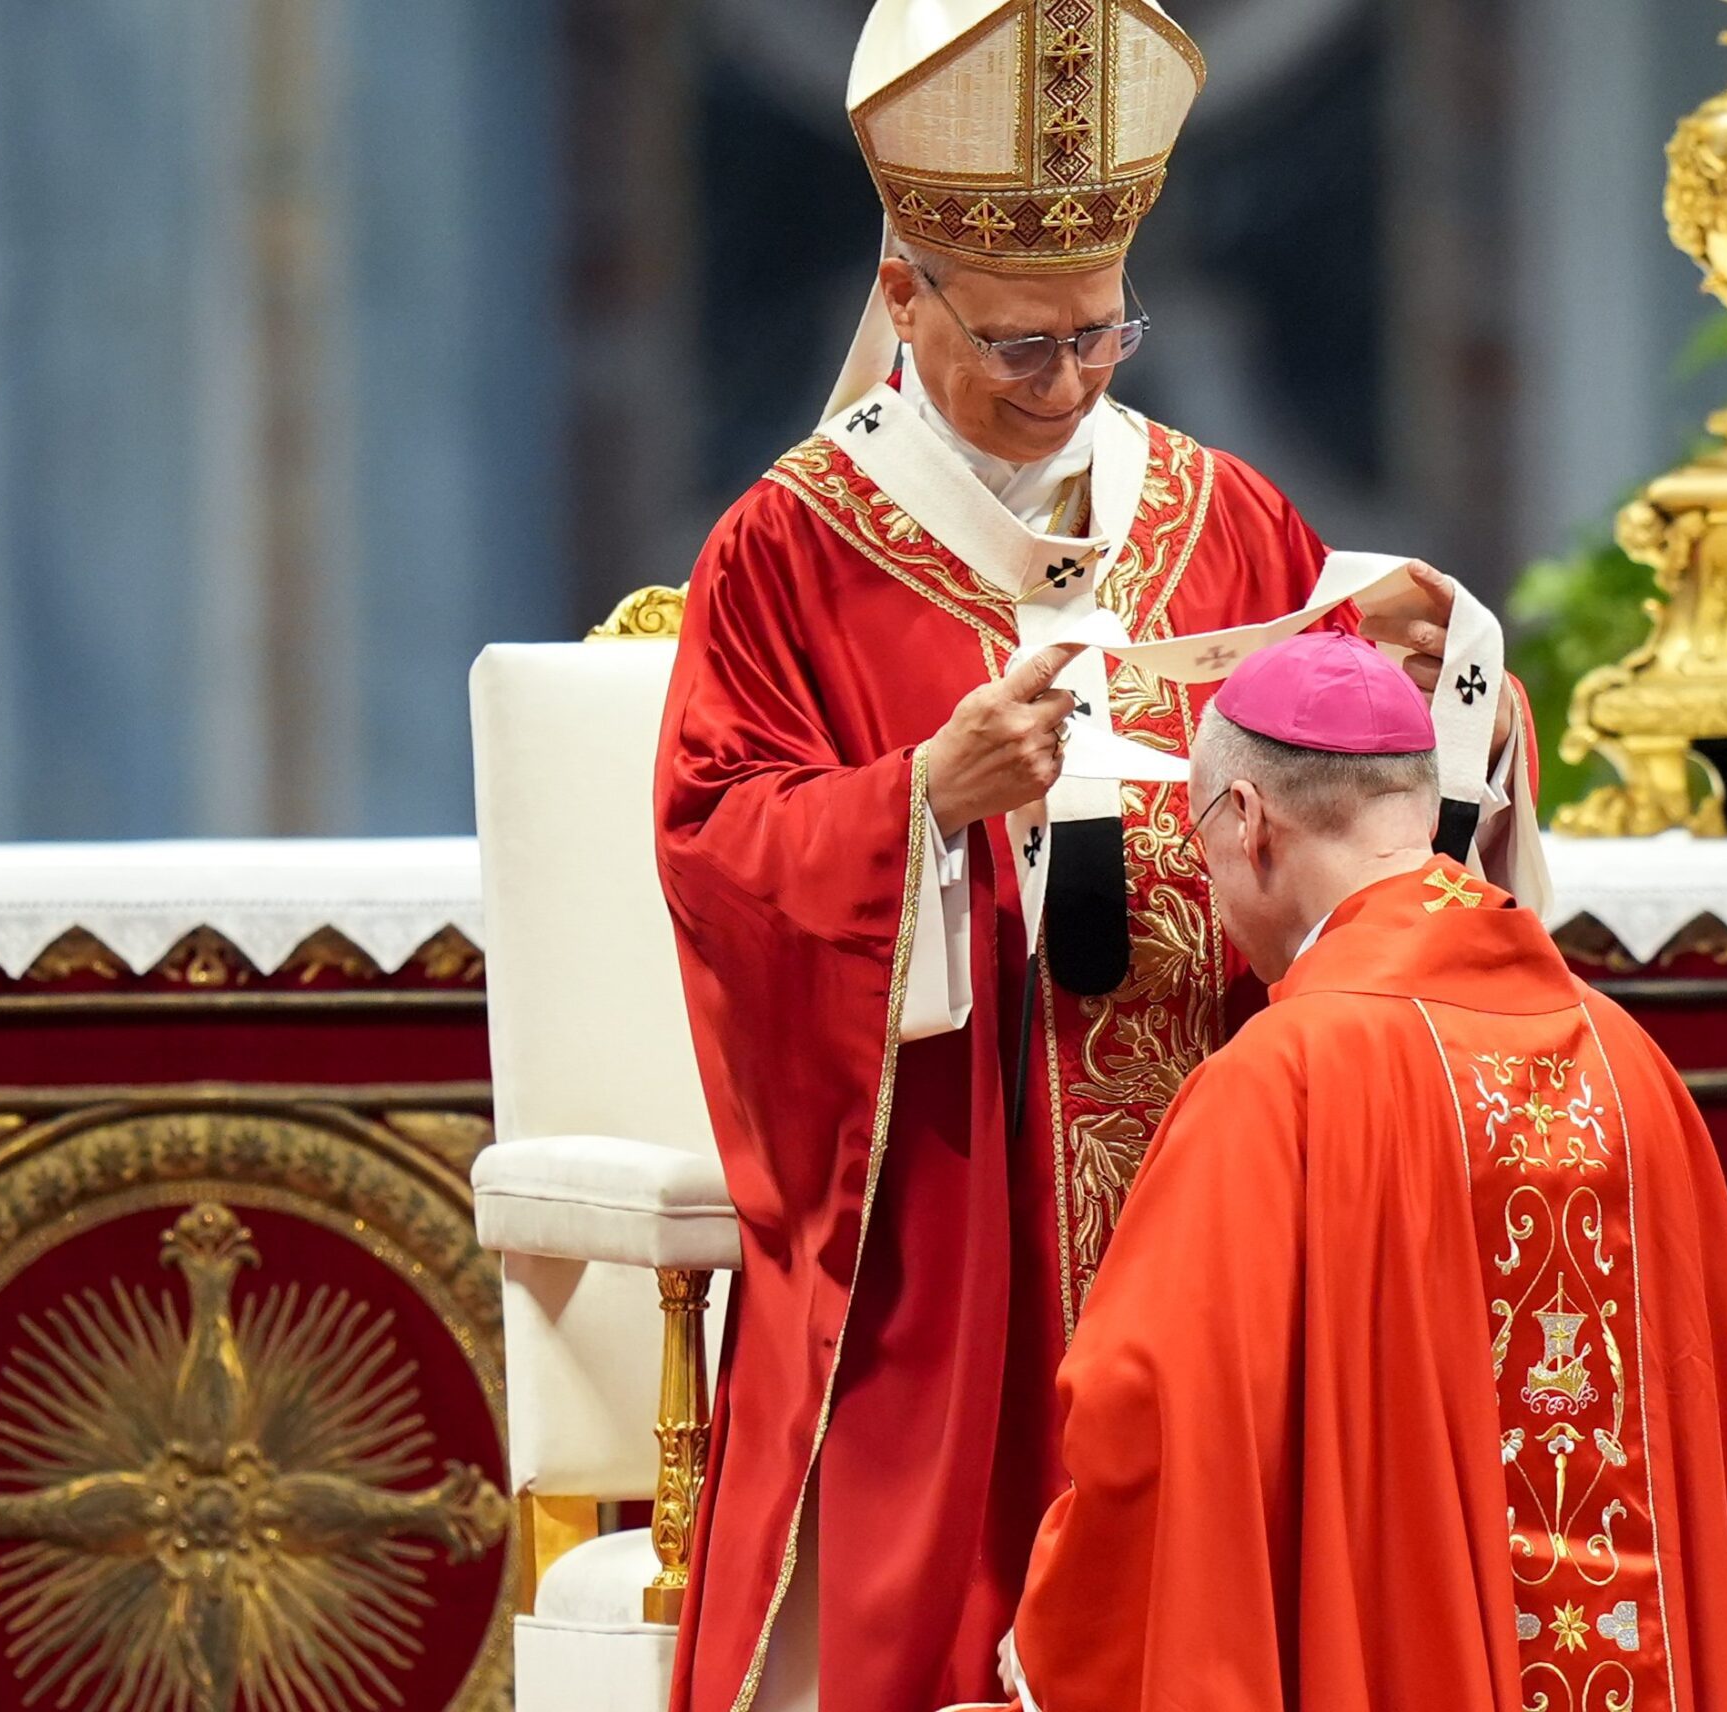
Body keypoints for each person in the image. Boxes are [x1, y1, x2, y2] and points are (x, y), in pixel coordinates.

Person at [650, 4, 1541, 1709]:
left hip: (1221, 1150)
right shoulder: (788, 548)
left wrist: (1425, 697)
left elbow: (1359, 829)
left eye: (1096, 333)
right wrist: (922, 792)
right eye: (1016, 345)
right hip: (950, 1196)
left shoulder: (1226, 512)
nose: (1066, 381)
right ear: (903, 298)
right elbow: (716, 850)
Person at [965, 631, 1727, 1712]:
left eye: (1202, 842)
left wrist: (1058, 1632)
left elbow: (1151, 1410)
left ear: (1246, 821)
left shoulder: (1281, 1078)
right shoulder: (1628, 1059)